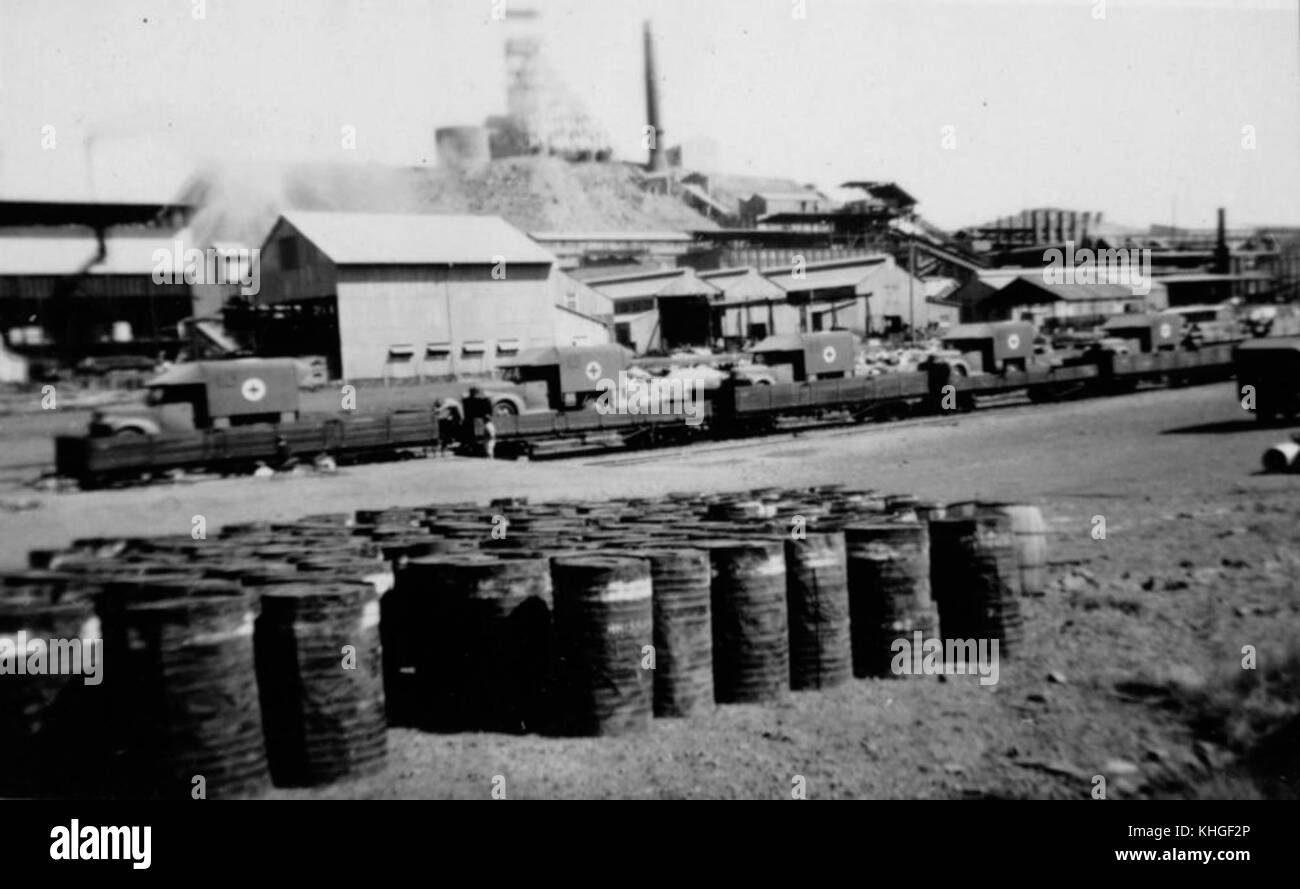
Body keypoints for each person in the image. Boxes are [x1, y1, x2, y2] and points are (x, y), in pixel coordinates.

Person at [460, 386, 496, 459]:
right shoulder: (483, 401)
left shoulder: (468, 401)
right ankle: (489, 454)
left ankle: (487, 453)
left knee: (486, 439)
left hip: (478, 422)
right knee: (490, 438)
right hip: (487, 424)